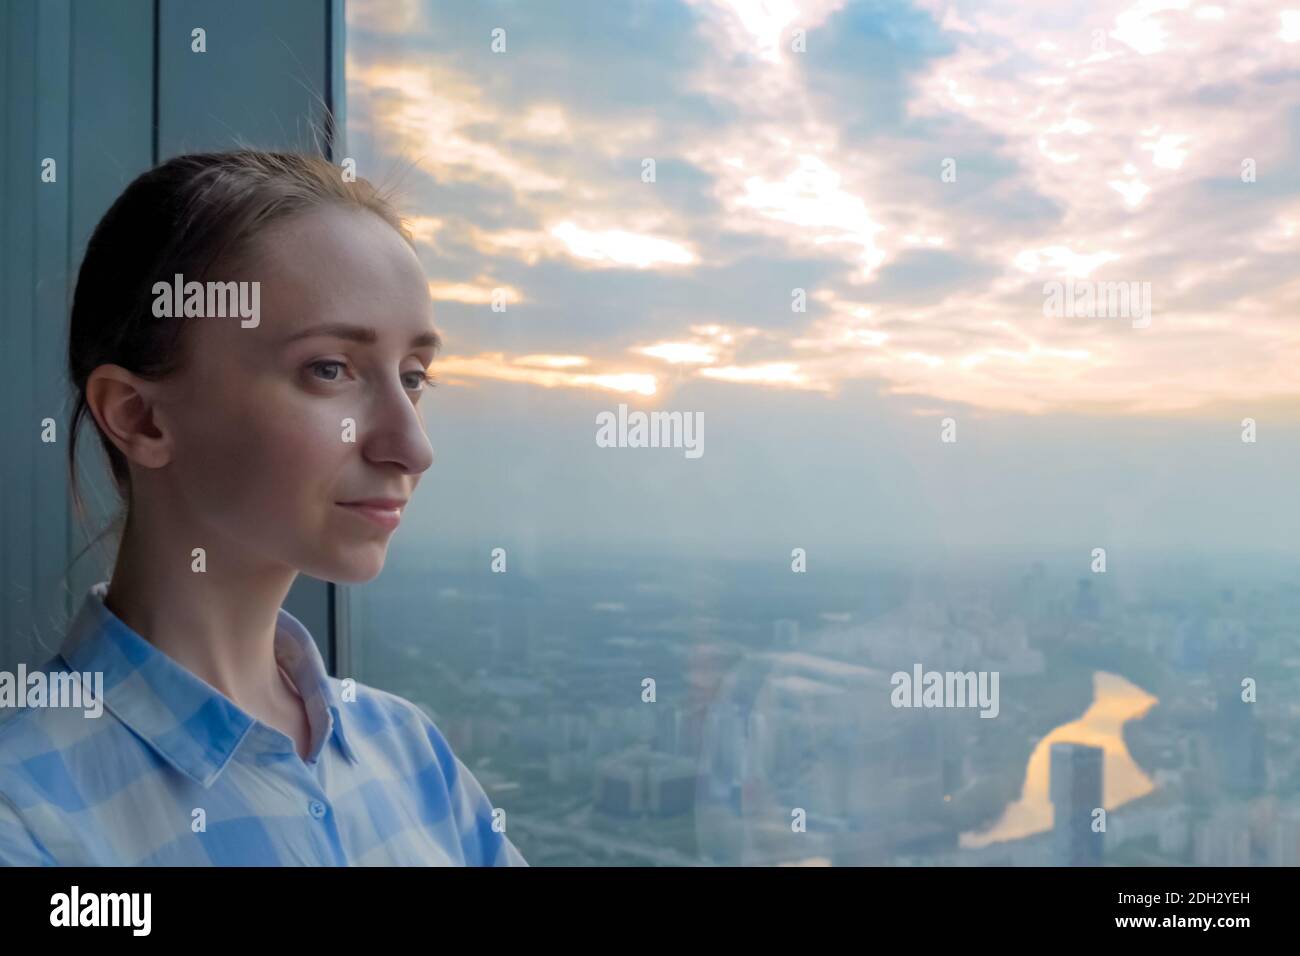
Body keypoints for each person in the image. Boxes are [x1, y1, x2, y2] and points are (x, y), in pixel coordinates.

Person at [0, 151, 528, 866]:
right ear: (140, 418)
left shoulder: (411, 756)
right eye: (329, 369)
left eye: (414, 377)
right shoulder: (26, 814)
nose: (412, 445)